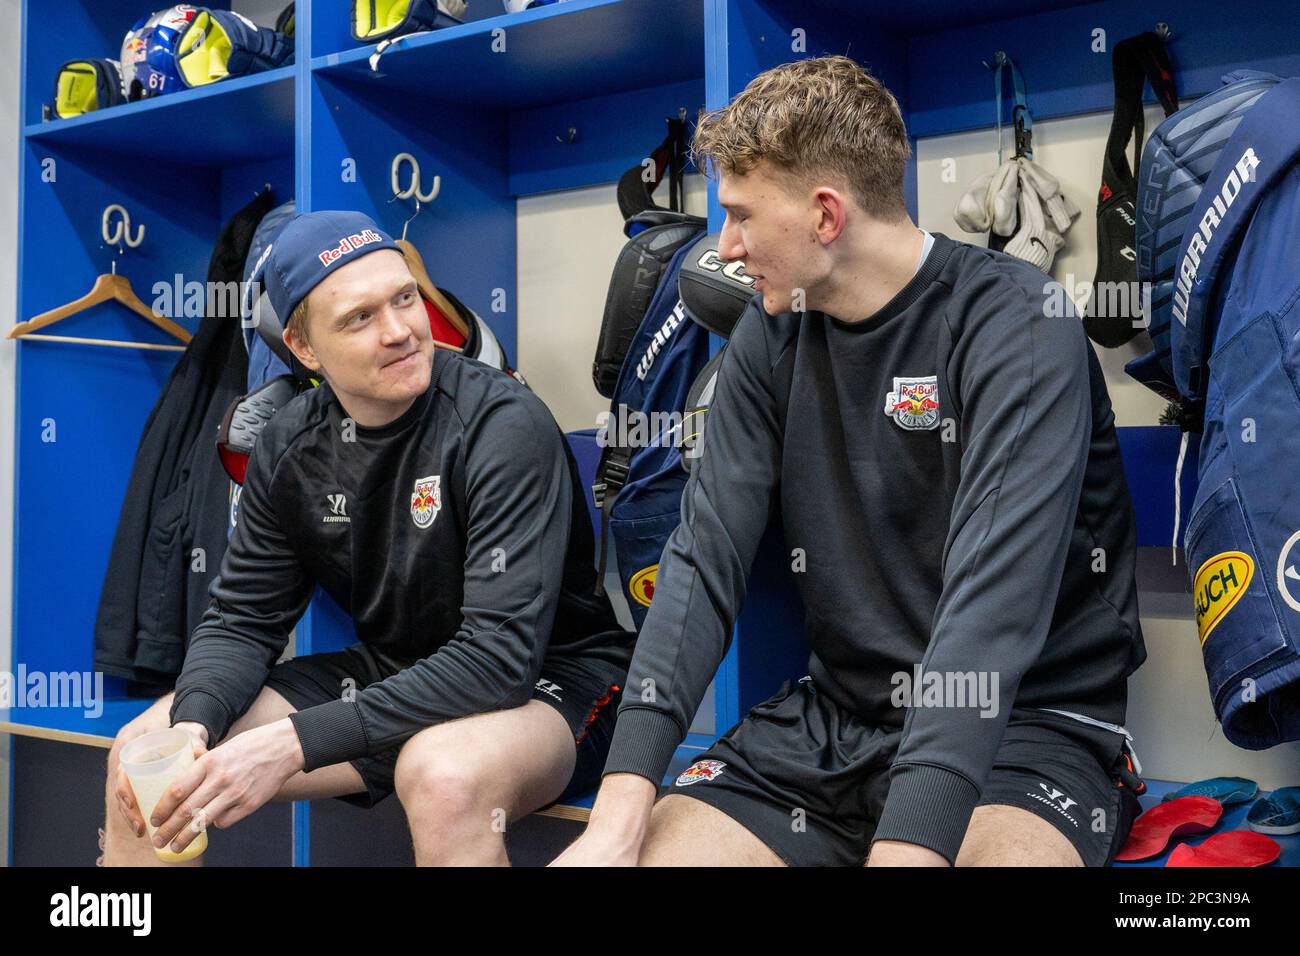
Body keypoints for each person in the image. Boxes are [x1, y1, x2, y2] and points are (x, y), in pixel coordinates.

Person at [554, 55, 1147, 867]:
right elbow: (701, 562)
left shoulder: (1017, 321)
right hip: (836, 726)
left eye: (737, 216)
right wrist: (618, 817)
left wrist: (910, 845)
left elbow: (990, 607)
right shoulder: (773, 328)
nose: (721, 249)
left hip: (1024, 729)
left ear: (825, 215)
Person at [103, 210, 634, 866]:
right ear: (302, 347)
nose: (401, 332)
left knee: (441, 777)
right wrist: (196, 721)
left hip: (554, 680)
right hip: (397, 670)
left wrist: (294, 743)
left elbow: (499, 661)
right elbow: (242, 619)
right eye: (359, 317)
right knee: (143, 756)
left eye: (404, 298)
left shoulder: (501, 422)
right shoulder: (290, 443)